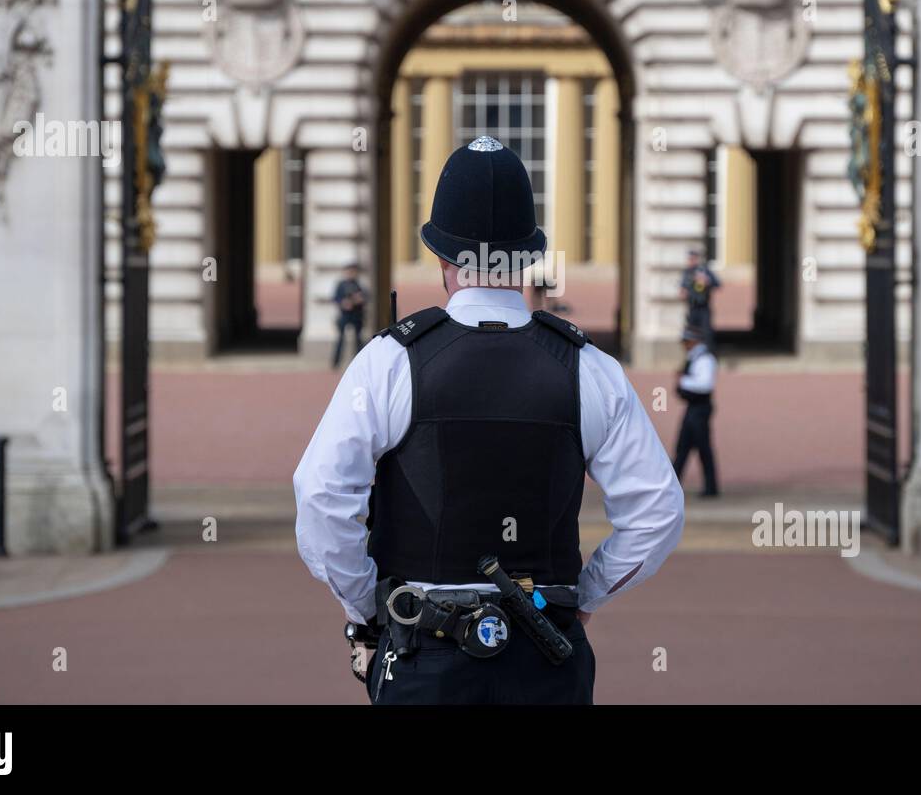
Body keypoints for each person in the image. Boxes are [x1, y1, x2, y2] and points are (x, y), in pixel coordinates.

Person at [293, 134, 684, 705]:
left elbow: (320, 495)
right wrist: (584, 597)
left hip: (423, 656)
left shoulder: (391, 359)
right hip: (546, 655)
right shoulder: (588, 367)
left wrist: (365, 610)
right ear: (528, 255)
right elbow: (658, 512)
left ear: (442, 257)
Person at [672, 324, 719, 498]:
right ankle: (672, 485)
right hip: (692, 409)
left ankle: (711, 487)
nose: (684, 345)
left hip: (700, 410)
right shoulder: (694, 357)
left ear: (693, 341)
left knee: (703, 449)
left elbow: (705, 385)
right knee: (682, 449)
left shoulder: (705, 359)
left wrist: (683, 381)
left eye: (686, 342)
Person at [330, 262, 367, 369]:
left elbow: (365, 298)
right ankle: (335, 362)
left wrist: (358, 300)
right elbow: (335, 298)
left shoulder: (358, 285)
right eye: (349, 272)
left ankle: (359, 362)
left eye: (353, 272)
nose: (351, 274)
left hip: (356, 315)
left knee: (358, 340)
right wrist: (343, 303)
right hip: (344, 315)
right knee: (340, 339)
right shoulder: (341, 285)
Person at [679, 248, 719, 343]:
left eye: (693, 258)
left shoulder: (704, 271)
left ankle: (709, 353)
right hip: (692, 307)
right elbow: (682, 289)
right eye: (690, 259)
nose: (691, 261)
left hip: (704, 307)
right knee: (691, 333)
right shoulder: (687, 273)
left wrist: (707, 281)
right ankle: (692, 355)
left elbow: (717, 283)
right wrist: (683, 293)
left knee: (707, 332)